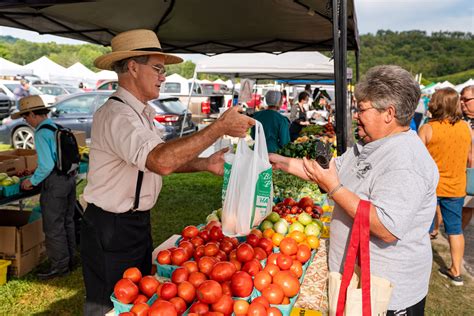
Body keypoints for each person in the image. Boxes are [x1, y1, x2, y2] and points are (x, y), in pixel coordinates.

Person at [81, 29, 254, 315]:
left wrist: (204, 163)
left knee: (135, 301)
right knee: (108, 304)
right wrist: (219, 128)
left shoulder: (141, 113)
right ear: (133, 67)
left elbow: (159, 160)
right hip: (110, 227)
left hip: (132, 224)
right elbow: (160, 161)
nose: (164, 76)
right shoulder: (118, 115)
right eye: (158, 68)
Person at [270, 65, 439, 314]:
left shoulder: (406, 160)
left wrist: (335, 189)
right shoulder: (370, 146)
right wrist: (274, 160)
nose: (356, 115)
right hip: (357, 282)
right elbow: (323, 171)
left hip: (385, 296)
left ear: (388, 114)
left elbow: (386, 227)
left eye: (361, 109)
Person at [13, 96, 76, 280]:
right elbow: (55, 159)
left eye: (26, 116)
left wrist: (31, 181)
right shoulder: (57, 127)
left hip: (55, 184)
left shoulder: (41, 133)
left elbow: (47, 166)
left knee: (53, 227)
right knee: (67, 222)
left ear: (33, 114)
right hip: (69, 179)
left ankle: (59, 267)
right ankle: (70, 260)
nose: (25, 120)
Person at [418, 87, 470, 286]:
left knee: (421, 227)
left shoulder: (428, 128)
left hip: (430, 187)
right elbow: (471, 157)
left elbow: (417, 159)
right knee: (455, 230)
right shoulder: (466, 128)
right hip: (456, 186)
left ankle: (418, 265)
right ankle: (456, 271)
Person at [461, 85, 474, 231]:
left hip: (471, 171)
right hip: (454, 168)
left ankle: (458, 232)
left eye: (467, 99)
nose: (462, 102)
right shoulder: (456, 119)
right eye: (461, 99)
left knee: (468, 206)